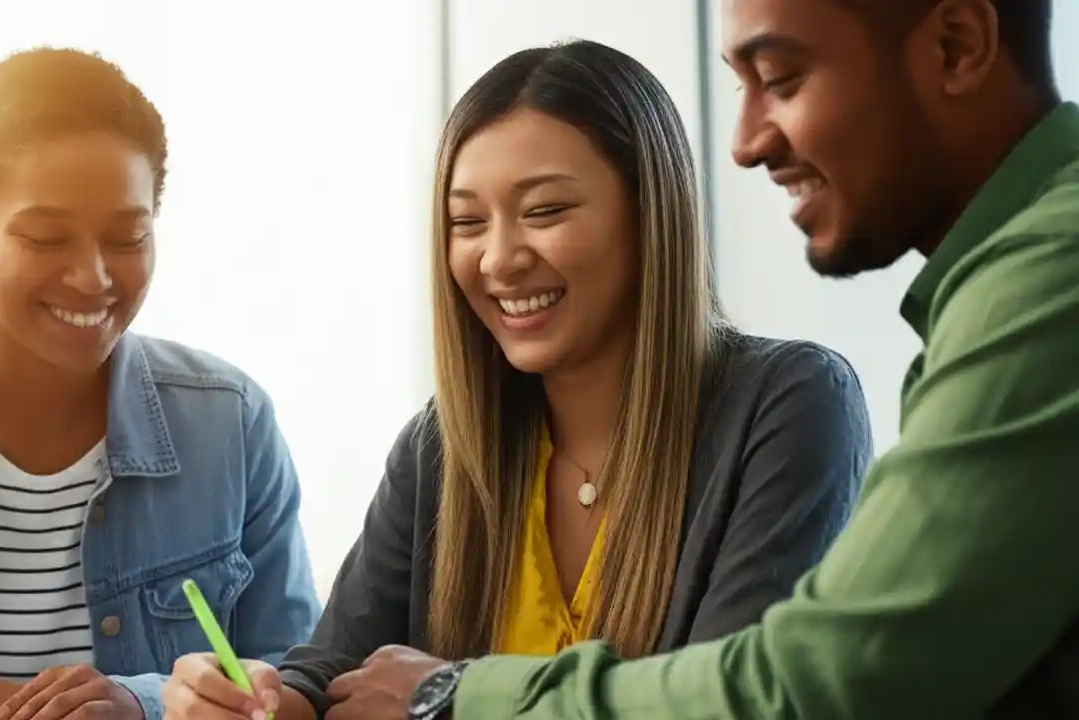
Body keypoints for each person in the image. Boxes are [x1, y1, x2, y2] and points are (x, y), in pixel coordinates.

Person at [163, 39, 872, 720]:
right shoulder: (441, 446)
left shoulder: (791, 402)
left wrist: (449, 697)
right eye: (466, 222)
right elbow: (335, 672)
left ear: (650, 214)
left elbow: (729, 703)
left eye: (545, 212)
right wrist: (261, 698)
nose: (498, 260)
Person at [429, 0, 1079, 717]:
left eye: (783, 78)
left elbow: (823, 682)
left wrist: (457, 693)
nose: (743, 143)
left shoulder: (1054, 277)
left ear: (957, 47)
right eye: (741, 86)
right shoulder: (1003, 285)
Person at [0, 47, 320, 720]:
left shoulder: (232, 423)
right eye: (46, 238)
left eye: (127, 238)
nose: (94, 277)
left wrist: (140, 705)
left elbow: (296, 676)